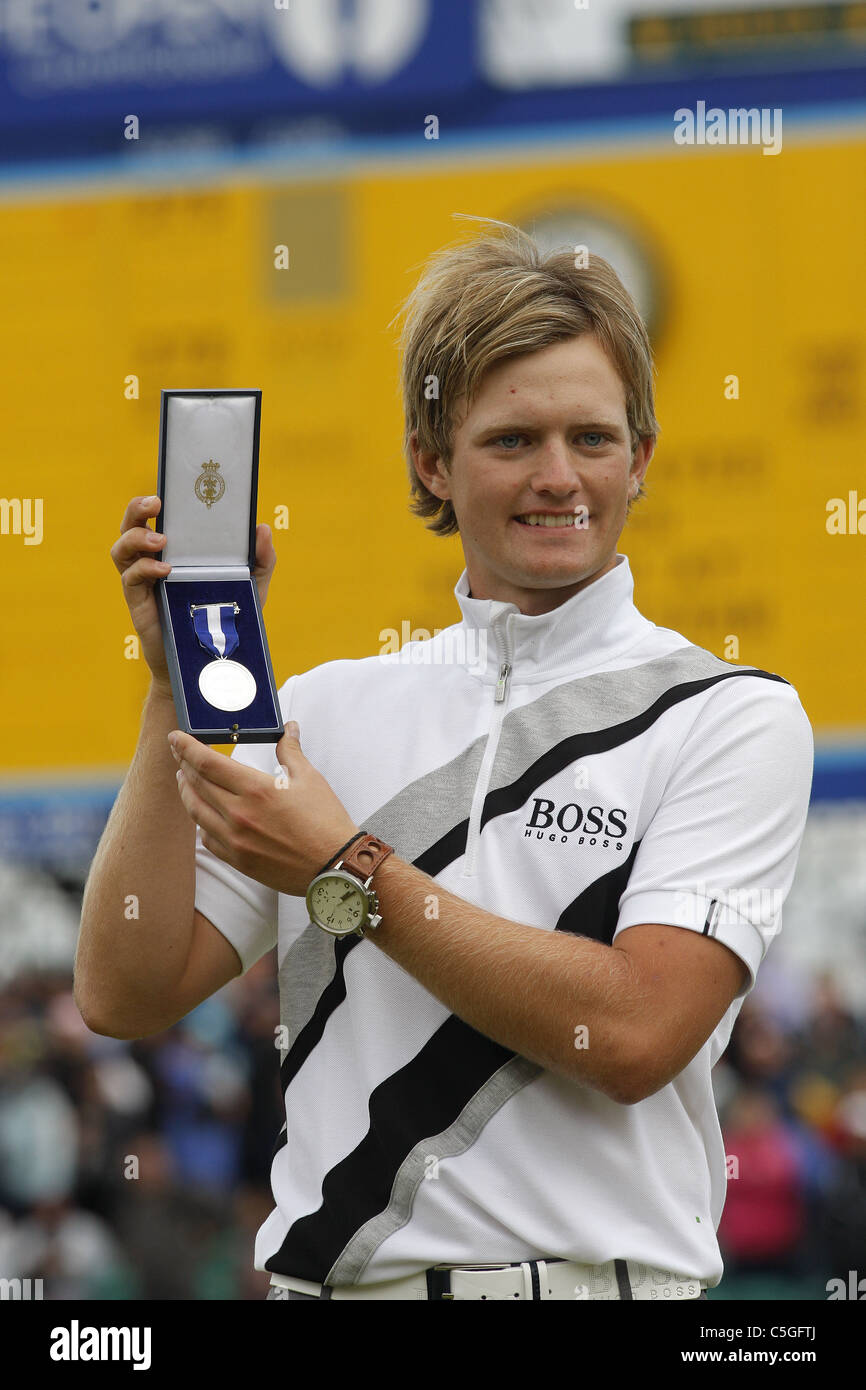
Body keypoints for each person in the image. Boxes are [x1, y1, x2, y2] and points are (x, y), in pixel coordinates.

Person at [75, 219, 814, 1301]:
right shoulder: (322, 708)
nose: (558, 477)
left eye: (593, 438)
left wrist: (345, 870)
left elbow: (630, 1031)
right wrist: (167, 685)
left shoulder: (729, 714)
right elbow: (124, 989)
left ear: (639, 457)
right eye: (511, 440)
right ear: (431, 459)